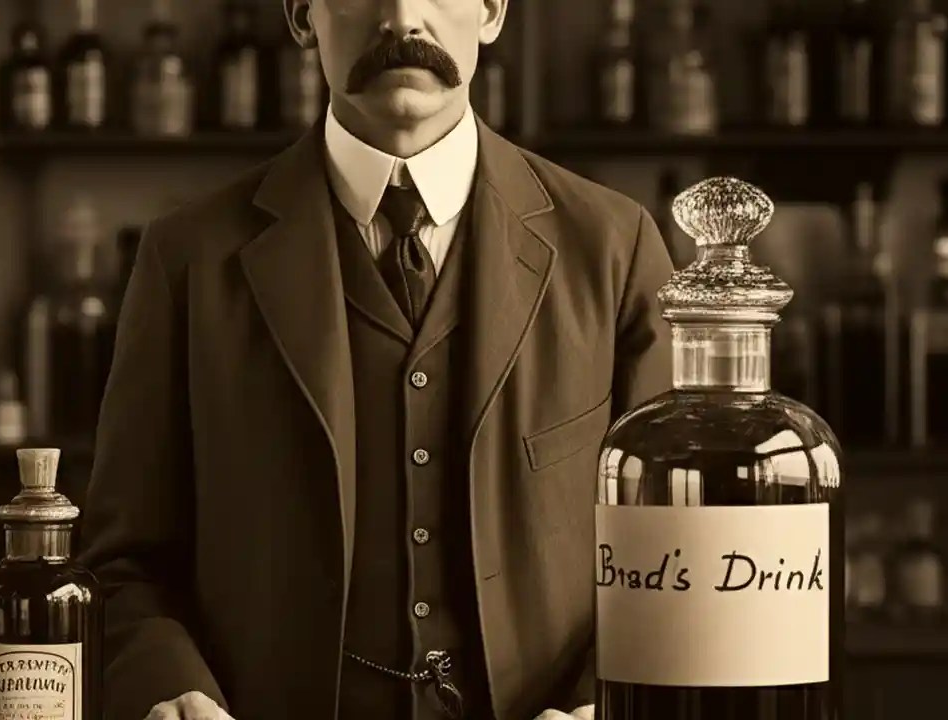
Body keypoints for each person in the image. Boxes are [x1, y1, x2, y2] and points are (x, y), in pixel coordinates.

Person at [78, 0, 673, 717]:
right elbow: (123, 560)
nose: (402, 18)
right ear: (302, 15)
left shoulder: (614, 248)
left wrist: (596, 703)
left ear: (491, 10)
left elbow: (669, 556)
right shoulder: (188, 259)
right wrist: (174, 690)